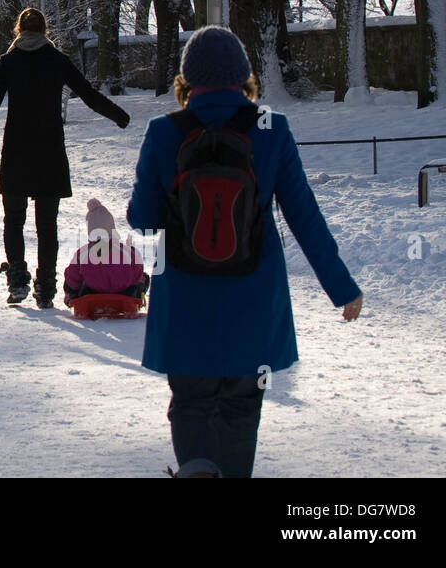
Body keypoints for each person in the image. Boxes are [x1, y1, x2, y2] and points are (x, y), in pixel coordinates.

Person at [126, 25, 362, 479]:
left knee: (192, 402)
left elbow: (144, 220)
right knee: (240, 406)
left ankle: (196, 471)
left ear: (187, 79)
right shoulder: (273, 129)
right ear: (244, 76)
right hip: (253, 302)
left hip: (186, 302)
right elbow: (304, 217)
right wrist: (342, 289)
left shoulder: (163, 131)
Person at [0, 7, 130, 307]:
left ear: (18, 30)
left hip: (16, 151)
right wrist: (118, 115)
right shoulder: (58, 61)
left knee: (13, 221)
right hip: (49, 151)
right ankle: (45, 288)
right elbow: (89, 94)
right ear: (45, 31)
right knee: (47, 226)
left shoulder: (9, 62)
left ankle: (17, 279)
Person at [63, 198, 148, 302]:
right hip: (125, 293)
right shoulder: (126, 251)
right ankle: (136, 297)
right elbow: (137, 274)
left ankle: (76, 299)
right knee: (144, 278)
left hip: (91, 293)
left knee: (75, 277)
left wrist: (71, 291)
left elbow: (72, 279)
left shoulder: (83, 253)